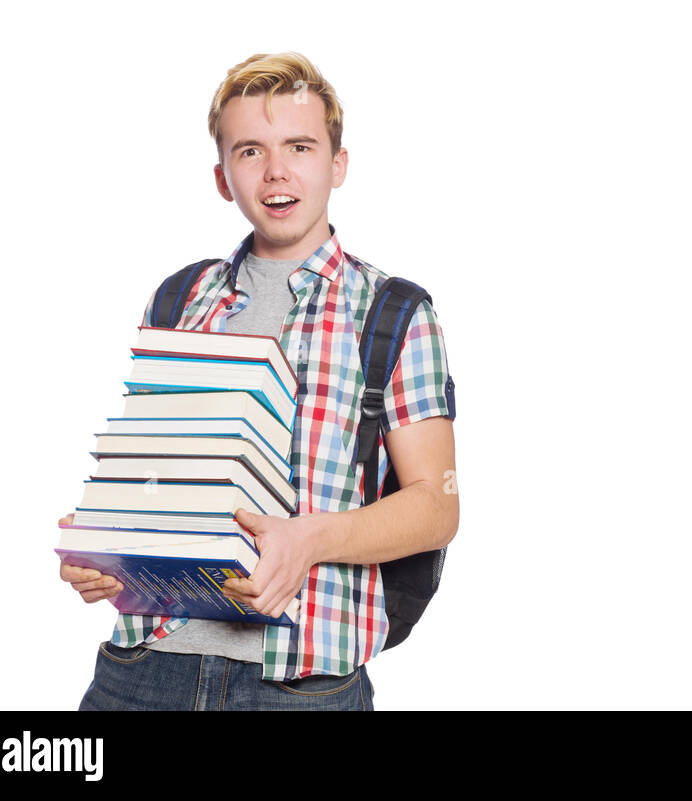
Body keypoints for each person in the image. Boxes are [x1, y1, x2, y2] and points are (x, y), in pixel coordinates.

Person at [58, 52, 459, 710]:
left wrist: (311, 539)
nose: (276, 171)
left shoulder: (392, 314)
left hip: (300, 688)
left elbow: (437, 506)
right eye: (251, 151)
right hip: (142, 670)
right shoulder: (179, 297)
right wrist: (103, 542)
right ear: (223, 177)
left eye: (300, 146)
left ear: (338, 164)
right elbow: (152, 481)